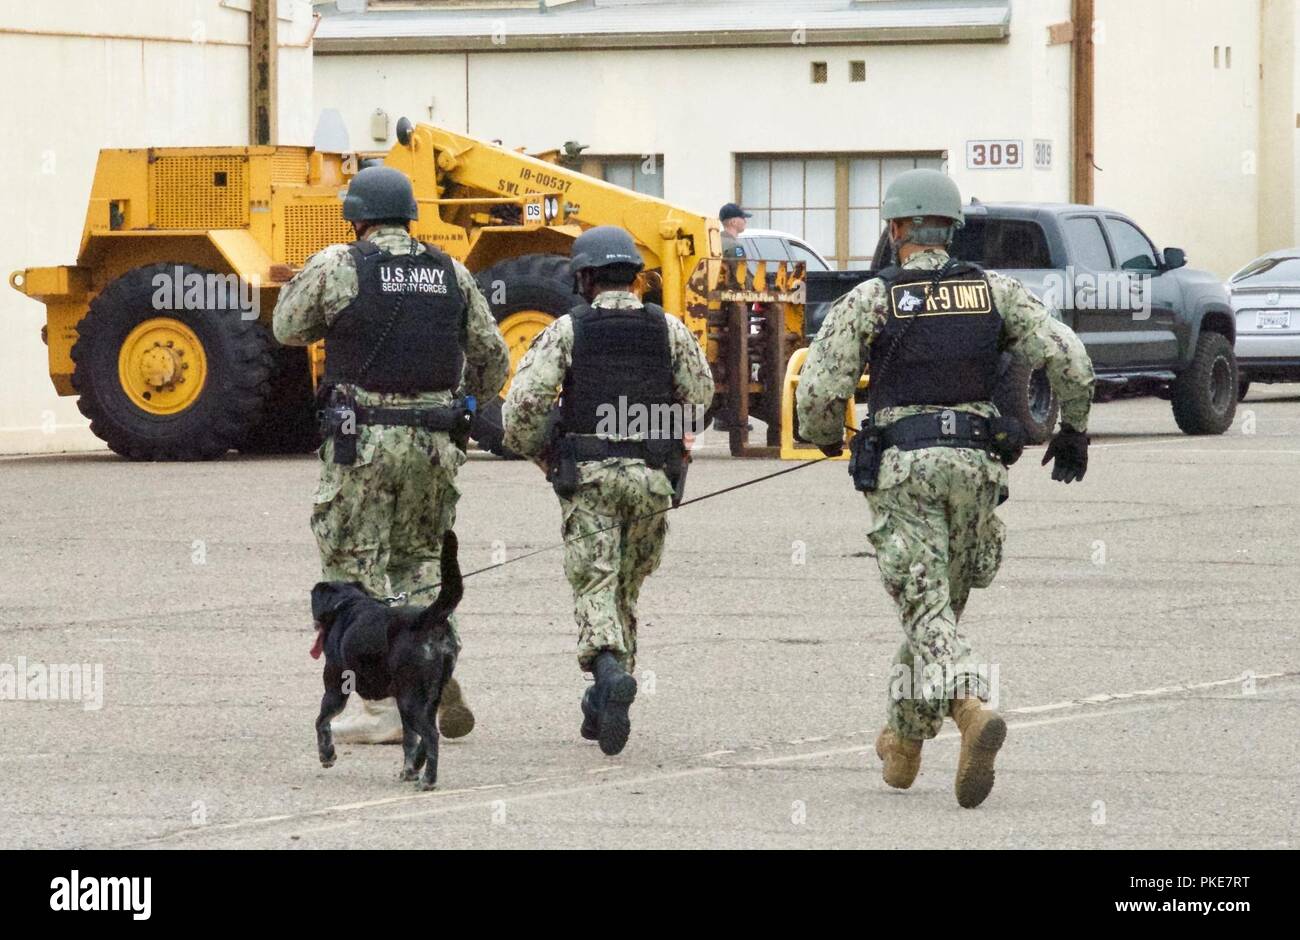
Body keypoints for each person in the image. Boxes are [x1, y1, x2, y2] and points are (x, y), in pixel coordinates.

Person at [795, 169, 1095, 808]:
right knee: (934, 611)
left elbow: (818, 392)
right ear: (952, 228)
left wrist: (824, 436)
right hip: (979, 467)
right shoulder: (996, 292)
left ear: (895, 228)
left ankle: (969, 706)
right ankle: (902, 746)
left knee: (925, 608)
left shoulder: (873, 298)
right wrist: (1074, 429)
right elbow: (1071, 358)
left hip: (907, 469)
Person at [273, 165, 509, 745]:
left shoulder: (339, 264)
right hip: (435, 443)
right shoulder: (451, 272)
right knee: (421, 562)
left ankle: (378, 708)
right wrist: (464, 401)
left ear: (356, 217)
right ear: (410, 215)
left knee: (353, 569)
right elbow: (493, 356)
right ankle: (430, 669)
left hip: (364, 443)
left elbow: (286, 328)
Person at [501, 226, 714, 756]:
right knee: (626, 590)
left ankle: (608, 671)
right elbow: (701, 395)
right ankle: (604, 698)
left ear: (584, 278)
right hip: (651, 480)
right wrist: (669, 438)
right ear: (635, 277)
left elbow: (521, 408)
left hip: (590, 478)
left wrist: (544, 453)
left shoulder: (567, 330)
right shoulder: (668, 328)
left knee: (595, 584)